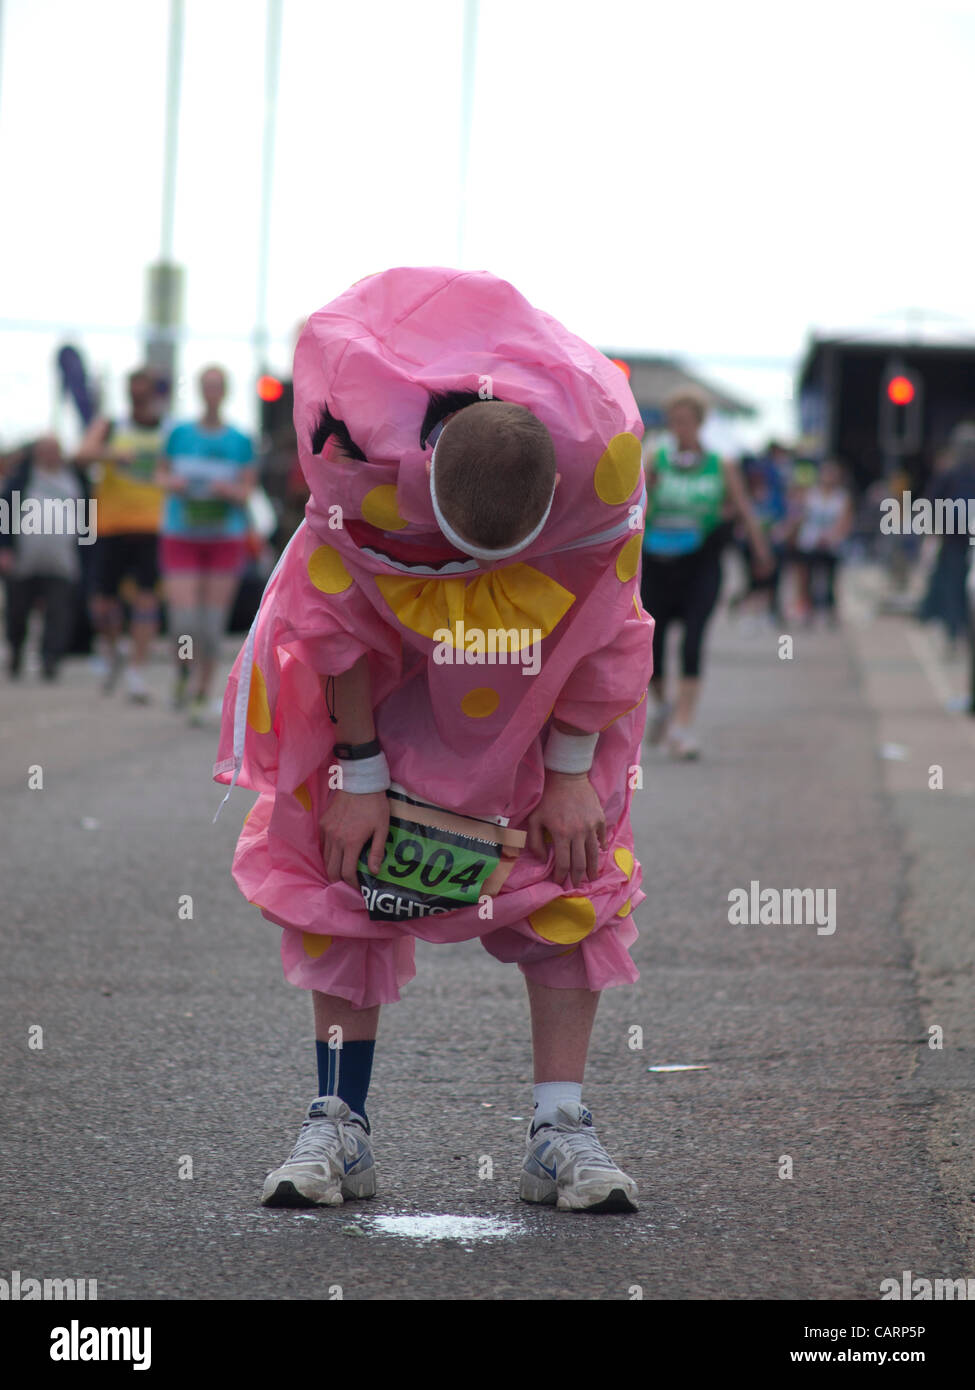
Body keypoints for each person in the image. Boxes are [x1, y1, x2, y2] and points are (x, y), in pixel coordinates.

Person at [213, 267, 653, 1214]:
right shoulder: (370, 465)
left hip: (540, 695)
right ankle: (338, 1122)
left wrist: (572, 773)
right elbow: (334, 626)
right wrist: (360, 772)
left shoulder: (594, 477)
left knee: (573, 878)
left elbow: (611, 633)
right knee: (343, 877)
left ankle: (558, 1129)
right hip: (399, 683)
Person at [641, 392, 773, 759]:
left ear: (699, 423)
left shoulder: (720, 464)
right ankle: (663, 704)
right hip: (657, 561)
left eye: (686, 420)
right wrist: (648, 484)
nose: (679, 428)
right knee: (652, 644)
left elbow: (744, 507)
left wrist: (761, 552)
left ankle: (682, 729)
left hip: (701, 562)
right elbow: (637, 504)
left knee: (693, 642)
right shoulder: (657, 459)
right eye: (674, 420)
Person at [157, 366, 256, 723]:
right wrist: (175, 483)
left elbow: (248, 489)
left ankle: (202, 691)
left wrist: (230, 492)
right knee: (184, 621)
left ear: (225, 391)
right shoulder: (178, 434)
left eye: (218, 386)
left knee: (212, 626)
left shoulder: (240, 440)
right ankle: (182, 673)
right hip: (181, 534)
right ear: (200, 390)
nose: (212, 391)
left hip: (224, 537)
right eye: (207, 385)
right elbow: (160, 473)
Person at [76, 367, 167, 702]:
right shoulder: (111, 426)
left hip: (152, 526)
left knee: (147, 597)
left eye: (144, 390)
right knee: (102, 602)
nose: (138, 395)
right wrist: (112, 454)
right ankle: (114, 650)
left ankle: (136, 669)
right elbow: (81, 455)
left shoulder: (167, 430)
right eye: (134, 389)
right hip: (110, 525)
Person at [0, 436, 89, 679]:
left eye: (54, 451)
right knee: (17, 612)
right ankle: (16, 653)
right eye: (45, 451)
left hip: (62, 559)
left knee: (58, 612)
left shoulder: (75, 480)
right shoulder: (22, 479)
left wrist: (86, 553)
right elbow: (5, 512)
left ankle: (50, 660)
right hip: (24, 559)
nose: (50, 455)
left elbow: (87, 518)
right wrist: (5, 548)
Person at [793, 459, 853, 625]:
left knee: (830, 580)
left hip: (831, 545)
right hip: (809, 542)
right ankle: (806, 609)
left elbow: (845, 522)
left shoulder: (842, 497)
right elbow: (799, 517)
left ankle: (829, 611)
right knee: (806, 578)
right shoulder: (810, 494)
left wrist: (832, 536)